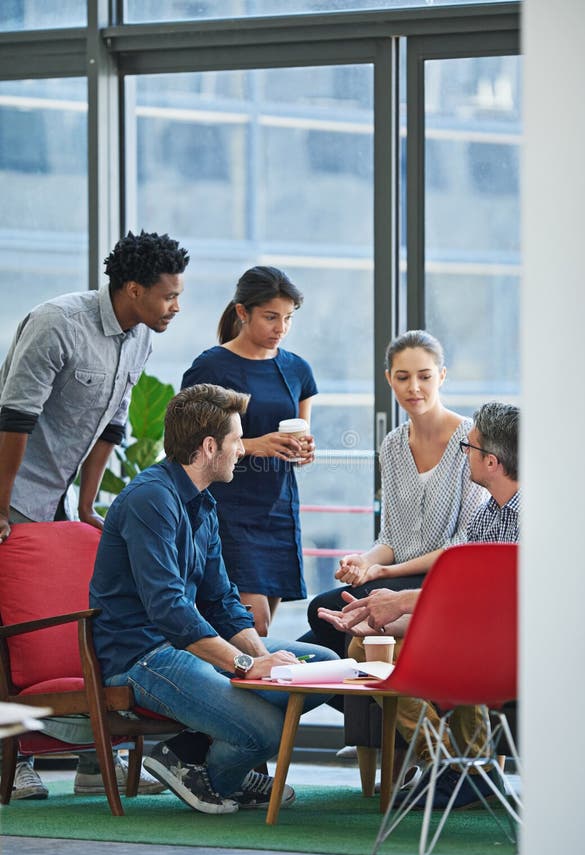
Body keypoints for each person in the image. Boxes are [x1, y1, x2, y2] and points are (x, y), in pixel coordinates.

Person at [0, 229, 190, 800]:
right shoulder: (57, 323)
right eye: (168, 296)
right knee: (11, 634)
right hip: (9, 490)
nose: (176, 308)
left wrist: (85, 505)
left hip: (56, 499)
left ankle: (91, 752)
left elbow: (113, 424)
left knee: (75, 617)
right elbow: (13, 416)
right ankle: (10, 758)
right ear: (133, 288)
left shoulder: (139, 339)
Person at [90, 383, 338, 815]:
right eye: (237, 440)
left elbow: (222, 599)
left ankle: (184, 752)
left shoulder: (202, 502)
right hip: (143, 657)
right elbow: (168, 607)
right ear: (209, 446)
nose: (242, 449)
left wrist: (263, 661)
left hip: (186, 650)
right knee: (267, 731)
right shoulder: (152, 499)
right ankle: (214, 774)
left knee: (317, 666)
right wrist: (245, 665)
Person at [318, 401, 520, 810]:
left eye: (471, 448)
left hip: (511, 648)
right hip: (473, 639)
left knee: (450, 648)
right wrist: (379, 622)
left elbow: (495, 605)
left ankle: (463, 769)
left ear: (493, 462)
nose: (464, 454)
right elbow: (463, 611)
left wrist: (403, 601)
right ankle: (452, 764)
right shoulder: (487, 516)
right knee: (363, 648)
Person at [301, 330, 488, 658]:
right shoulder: (392, 445)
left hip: (443, 578)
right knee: (310, 646)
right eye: (403, 377)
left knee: (323, 611)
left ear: (441, 376)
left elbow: (463, 545)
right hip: (397, 575)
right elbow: (390, 538)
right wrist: (365, 560)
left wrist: (385, 572)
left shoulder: (469, 440)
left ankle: (391, 707)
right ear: (389, 379)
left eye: (424, 376)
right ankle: (385, 709)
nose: (414, 387)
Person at [181, 266, 317, 636]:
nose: (281, 328)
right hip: (230, 510)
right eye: (271, 317)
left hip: (279, 510)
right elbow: (192, 446)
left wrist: (303, 450)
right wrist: (256, 445)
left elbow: (301, 434)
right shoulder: (211, 367)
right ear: (243, 313)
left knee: (262, 630)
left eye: (288, 318)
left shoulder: (297, 370)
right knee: (249, 627)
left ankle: (245, 691)